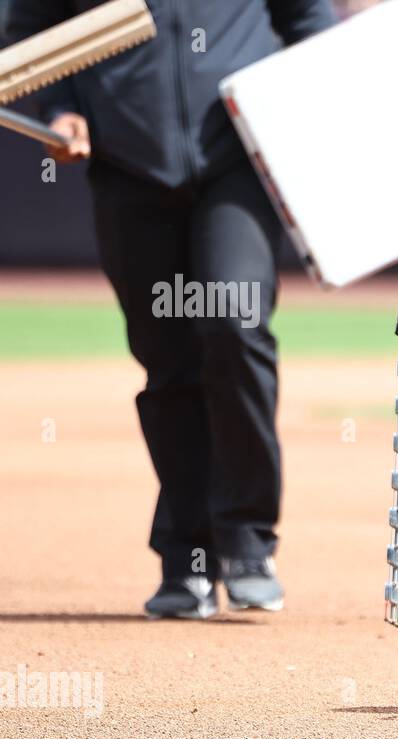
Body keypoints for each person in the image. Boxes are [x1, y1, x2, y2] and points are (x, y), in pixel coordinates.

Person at [7, 0, 338, 619]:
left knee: (234, 327)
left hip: (238, 159)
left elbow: (309, 18)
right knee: (168, 361)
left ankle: (246, 539)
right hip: (128, 167)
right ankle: (185, 558)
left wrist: (314, 106)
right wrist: (61, 111)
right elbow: (30, 30)